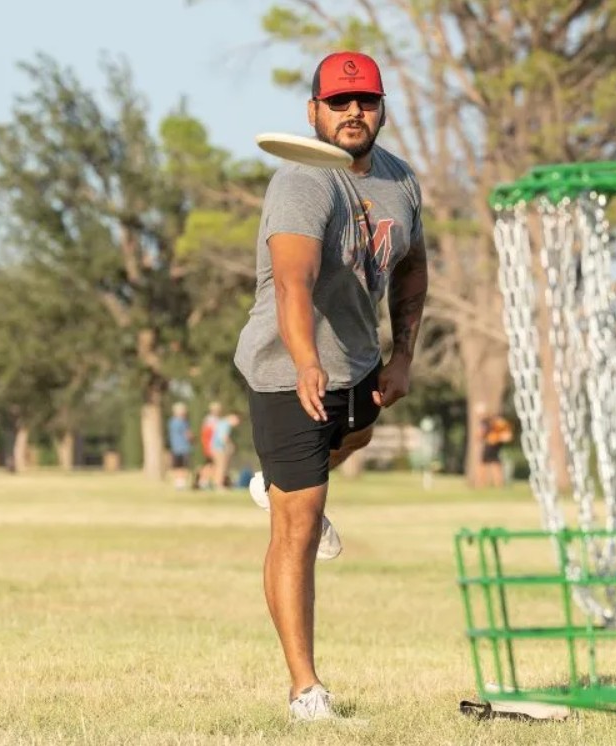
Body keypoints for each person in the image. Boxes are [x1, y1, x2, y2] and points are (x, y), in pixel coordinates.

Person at [232, 50, 429, 722]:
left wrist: (402, 356)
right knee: (299, 524)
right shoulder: (302, 183)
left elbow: (410, 272)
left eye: (365, 102)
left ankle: (273, 484)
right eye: (339, 103)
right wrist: (304, 358)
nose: (353, 113)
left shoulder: (400, 180)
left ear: (380, 109)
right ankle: (305, 689)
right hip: (289, 374)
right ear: (313, 110)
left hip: (356, 361)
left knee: (360, 431)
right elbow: (292, 280)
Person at [476, 403, 514, 488]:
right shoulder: (496, 421)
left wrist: (481, 436)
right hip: (495, 445)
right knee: (495, 463)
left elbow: (481, 433)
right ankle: (498, 484)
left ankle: (482, 484)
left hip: (491, 444)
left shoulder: (489, 422)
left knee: (484, 464)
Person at [209, 412, 240, 489]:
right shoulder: (225, 424)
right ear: (233, 417)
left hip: (215, 447)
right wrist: (230, 445)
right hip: (219, 448)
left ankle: (216, 484)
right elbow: (223, 437)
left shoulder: (222, 422)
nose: (236, 424)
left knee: (218, 466)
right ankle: (219, 485)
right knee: (221, 466)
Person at [166, 402, 193, 490]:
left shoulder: (171, 421)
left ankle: (178, 483)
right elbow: (188, 434)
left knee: (177, 466)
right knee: (183, 466)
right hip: (183, 447)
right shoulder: (183, 422)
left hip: (175, 447)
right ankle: (181, 483)